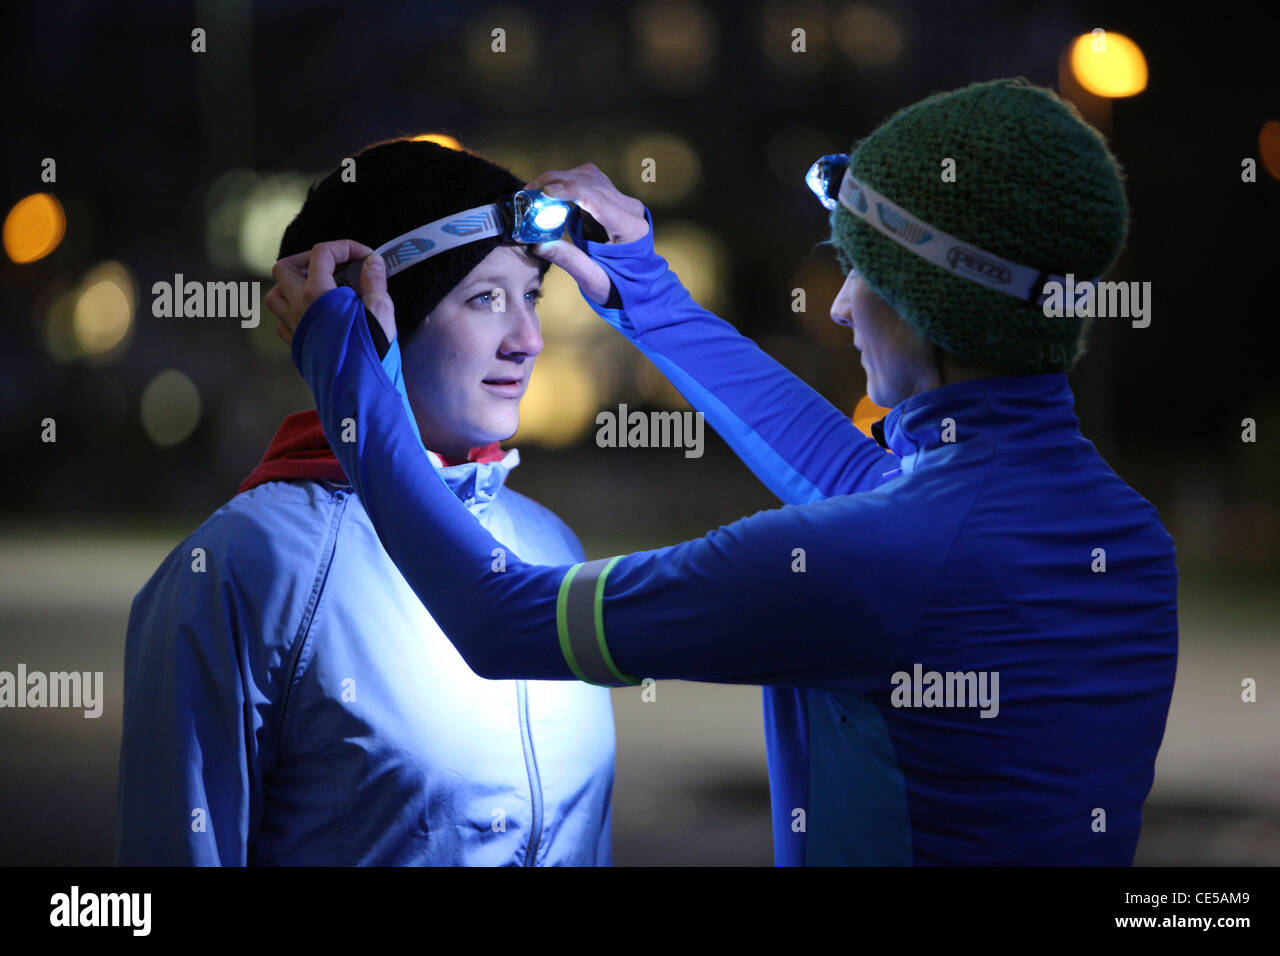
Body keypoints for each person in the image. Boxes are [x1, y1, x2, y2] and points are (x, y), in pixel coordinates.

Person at [270, 79, 1178, 865]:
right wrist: (646, 294)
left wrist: (346, 372)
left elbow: (501, 619)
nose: (841, 304)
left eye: (861, 271)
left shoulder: (883, 560)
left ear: (924, 307)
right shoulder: (1128, 538)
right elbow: (851, 477)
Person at [116, 139, 616, 866]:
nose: (529, 339)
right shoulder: (241, 566)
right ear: (369, 314)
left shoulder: (551, 547)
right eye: (485, 299)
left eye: (531, 296)